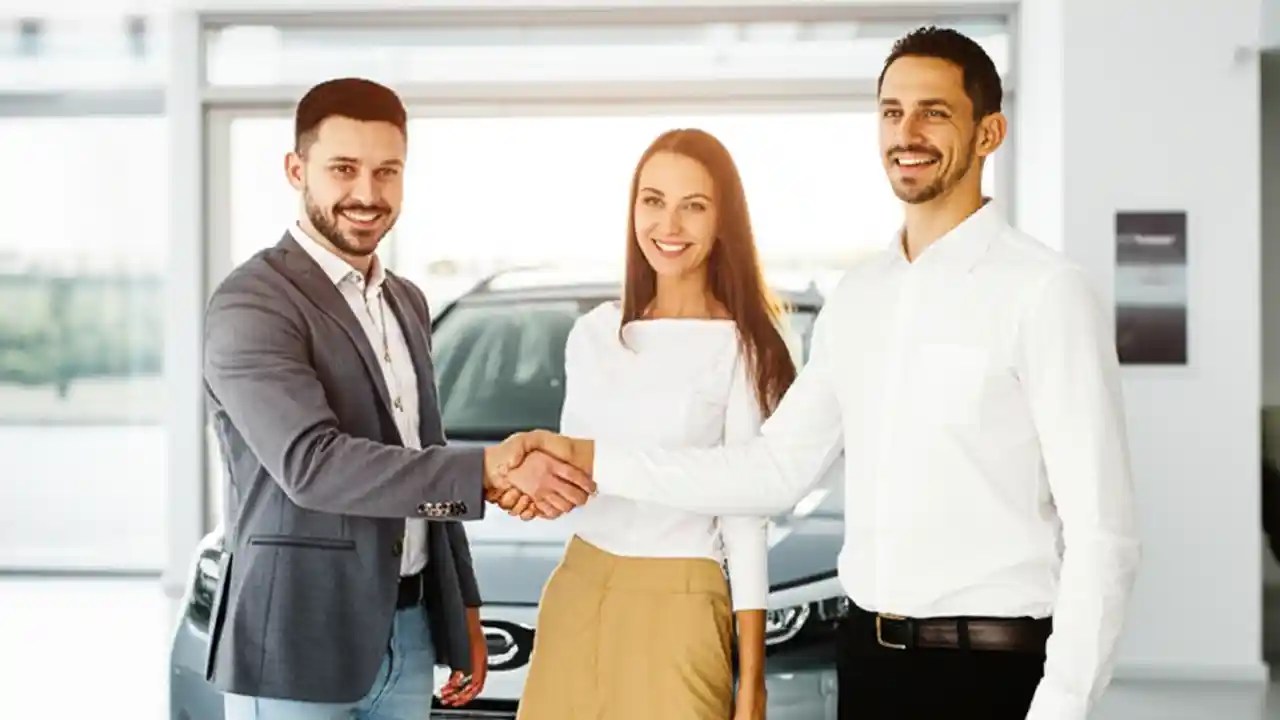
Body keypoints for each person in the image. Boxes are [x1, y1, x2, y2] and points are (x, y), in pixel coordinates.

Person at [495, 27, 1141, 720]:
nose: (907, 131)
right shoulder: (860, 296)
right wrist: (585, 455)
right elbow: (769, 471)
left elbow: (1105, 531)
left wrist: (1062, 706)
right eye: (891, 111)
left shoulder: (1044, 292)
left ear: (990, 133)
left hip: (988, 669)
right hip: (867, 660)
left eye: (934, 111)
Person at [202, 77, 593, 720]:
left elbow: (424, 454)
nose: (367, 193)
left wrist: (461, 608)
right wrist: (491, 469)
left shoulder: (405, 301)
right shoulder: (253, 302)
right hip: (298, 638)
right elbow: (313, 464)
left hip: (409, 630)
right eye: (343, 169)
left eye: (388, 171)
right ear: (296, 170)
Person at [509, 129, 793, 720]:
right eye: (653, 200)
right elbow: (574, 485)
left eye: (694, 206)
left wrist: (752, 683)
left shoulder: (743, 347)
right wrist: (528, 478)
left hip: (681, 599)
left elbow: (745, 515)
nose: (669, 224)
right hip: (578, 585)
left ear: (723, 222)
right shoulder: (593, 334)